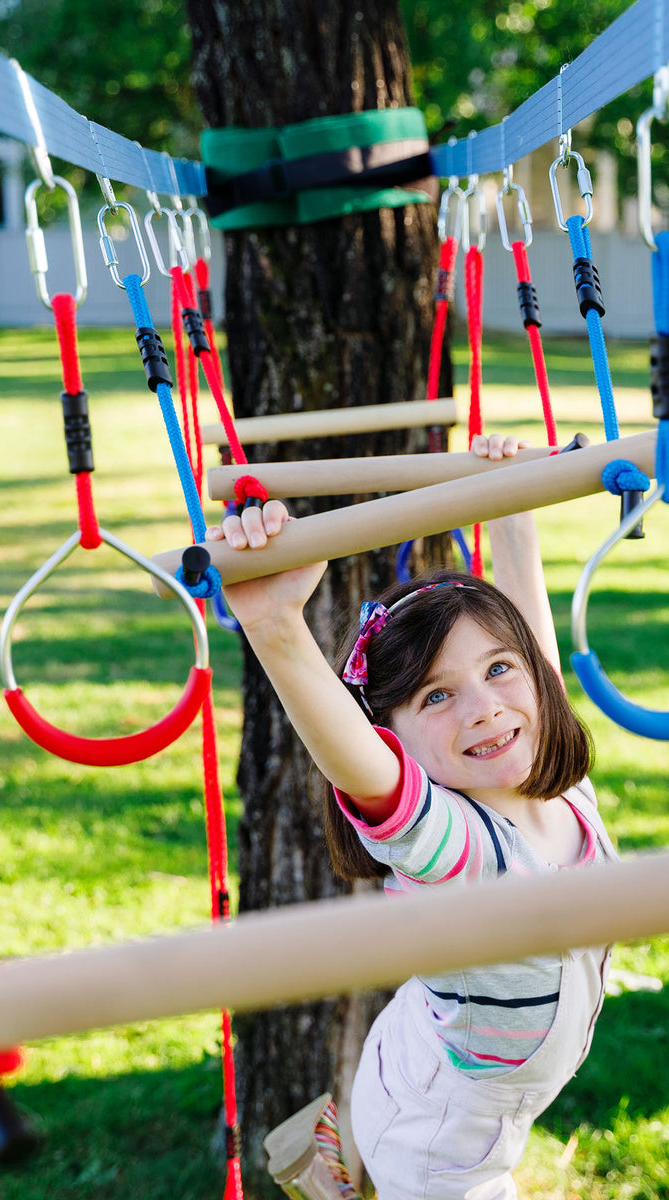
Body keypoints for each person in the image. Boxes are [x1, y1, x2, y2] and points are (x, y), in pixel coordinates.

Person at [215, 433, 616, 1200]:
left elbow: (533, 644)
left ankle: (343, 1162)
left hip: (432, 1046)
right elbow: (359, 766)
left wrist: (513, 507)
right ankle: (341, 1176)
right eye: (436, 697)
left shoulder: (560, 789)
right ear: (391, 738)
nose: (486, 707)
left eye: (498, 669)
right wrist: (276, 628)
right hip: (440, 1131)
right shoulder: (457, 848)